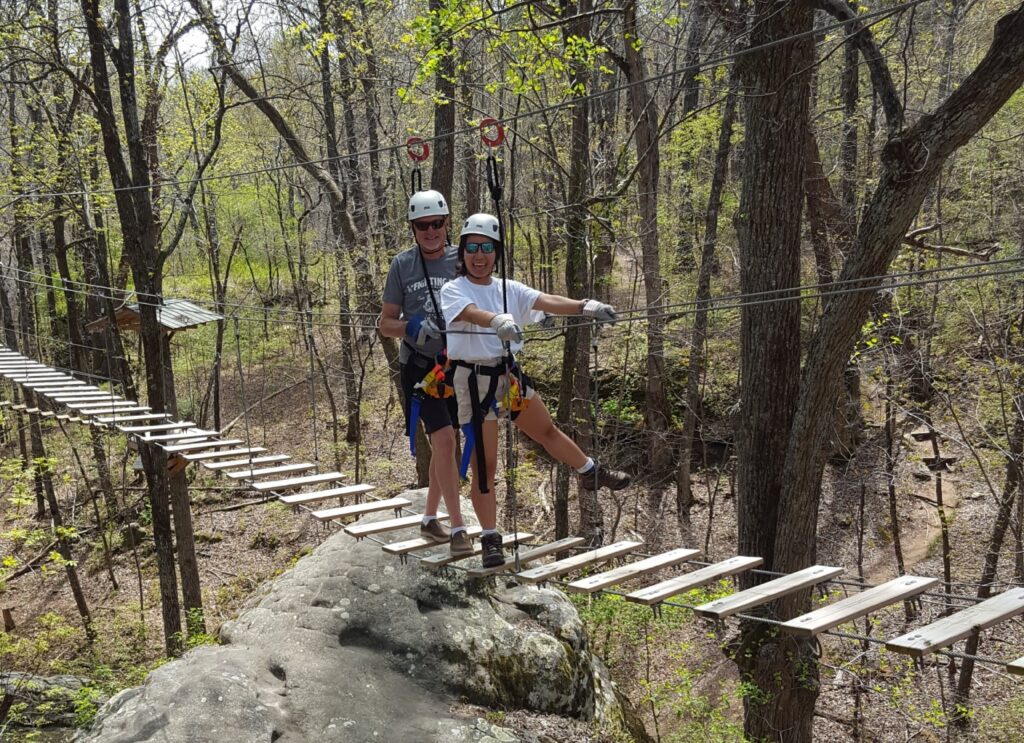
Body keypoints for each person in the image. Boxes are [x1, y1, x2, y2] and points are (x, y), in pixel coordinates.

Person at [440, 213, 631, 568]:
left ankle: (589, 471)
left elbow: (545, 300)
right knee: (485, 465)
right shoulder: (454, 289)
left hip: (507, 376)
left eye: (486, 248)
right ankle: (490, 537)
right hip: (474, 382)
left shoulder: (508, 289)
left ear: (496, 253)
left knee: (546, 431)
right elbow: (468, 312)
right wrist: (496, 320)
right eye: (472, 248)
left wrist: (585, 307)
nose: (479, 256)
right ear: (462, 252)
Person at [379, 190, 470, 554]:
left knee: (449, 442)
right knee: (444, 440)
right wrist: (409, 326)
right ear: (413, 229)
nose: (430, 231)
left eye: (436, 223)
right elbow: (385, 323)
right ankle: (458, 528)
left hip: (455, 365)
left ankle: (430, 519)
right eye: (422, 225)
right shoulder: (402, 265)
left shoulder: (462, 261)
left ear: (447, 224)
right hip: (419, 367)